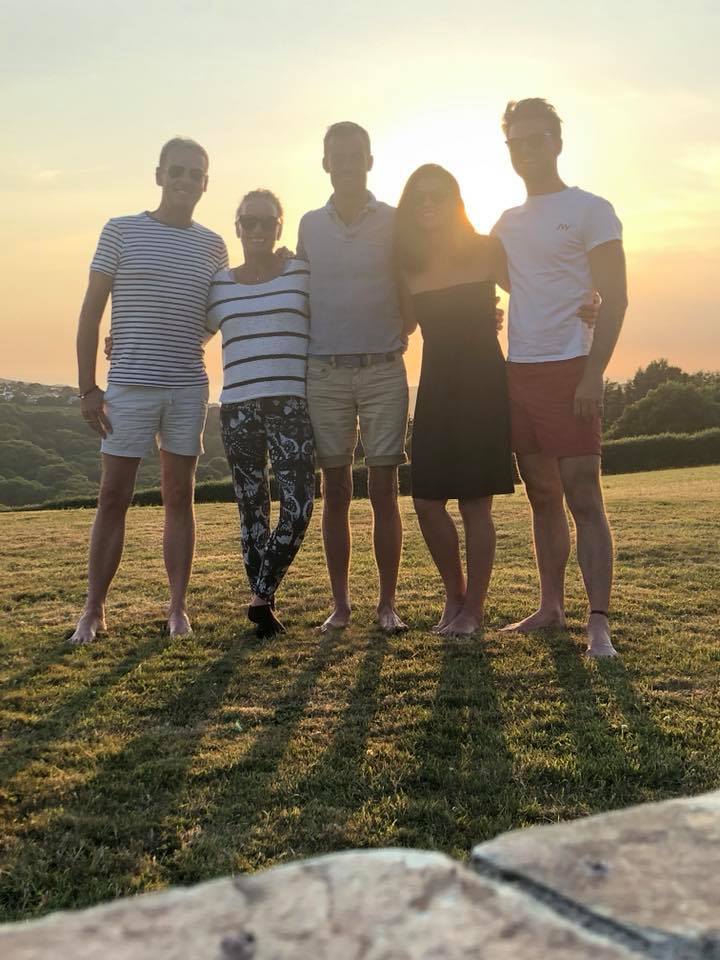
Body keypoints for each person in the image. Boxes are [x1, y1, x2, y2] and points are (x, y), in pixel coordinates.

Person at [71, 137, 228, 644]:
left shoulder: (214, 246)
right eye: (176, 171)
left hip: (186, 389)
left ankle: (177, 608)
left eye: (195, 174)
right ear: (159, 175)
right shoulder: (120, 230)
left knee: (179, 496)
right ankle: (93, 610)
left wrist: (173, 334)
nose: (185, 180)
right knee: (112, 495)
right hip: (128, 388)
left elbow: (214, 316)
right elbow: (91, 311)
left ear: (205, 183)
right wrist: (87, 388)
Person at [491, 98, 628, 657]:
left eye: (536, 139)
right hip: (519, 372)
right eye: (516, 142)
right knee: (543, 496)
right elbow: (503, 282)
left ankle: (598, 623)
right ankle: (551, 608)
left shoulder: (592, 209)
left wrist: (594, 374)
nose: (525, 150)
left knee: (583, 495)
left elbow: (616, 297)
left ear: (557, 142)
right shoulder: (505, 223)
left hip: (572, 368)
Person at [297, 122, 409, 633]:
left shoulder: (395, 219)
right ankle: (340, 605)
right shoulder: (309, 225)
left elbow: (414, 277)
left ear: (369, 160)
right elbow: (295, 288)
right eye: (337, 156)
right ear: (326, 163)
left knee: (384, 487)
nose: (346, 164)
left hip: (383, 369)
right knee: (336, 488)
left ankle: (387, 605)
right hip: (325, 372)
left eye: (355, 155)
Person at [395, 165, 515, 636]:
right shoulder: (408, 265)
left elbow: (532, 289)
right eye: (419, 196)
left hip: (484, 384)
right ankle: (455, 594)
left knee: (475, 505)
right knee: (426, 500)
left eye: (438, 195)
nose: (428, 203)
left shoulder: (486, 249)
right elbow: (403, 324)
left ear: (455, 200)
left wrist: (589, 301)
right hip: (436, 386)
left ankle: (474, 610)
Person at [206, 190, 315, 638]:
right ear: (237, 226)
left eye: (265, 222)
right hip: (237, 408)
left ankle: (261, 594)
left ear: (278, 227)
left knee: (299, 505)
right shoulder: (220, 285)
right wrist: (123, 341)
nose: (256, 229)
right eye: (248, 221)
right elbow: (190, 333)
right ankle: (264, 608)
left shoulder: (301, 272)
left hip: (290, 404)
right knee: (251, 510)